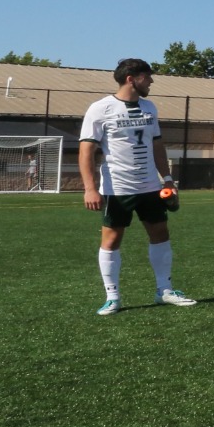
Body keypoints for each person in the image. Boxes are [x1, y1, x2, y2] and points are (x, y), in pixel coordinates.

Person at [79, 57, 194, 314]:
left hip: (150, 187)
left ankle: (164, 290)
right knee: (111, 239)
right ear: (131, 79)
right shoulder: (100, 109)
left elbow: (157, 146)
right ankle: (113, 297)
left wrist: (167, 179)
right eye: (147, 76)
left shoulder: (149, 107)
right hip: (117, 188)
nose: (151, 81)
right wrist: (90, 188)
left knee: (160, 234)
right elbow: (86, 150)